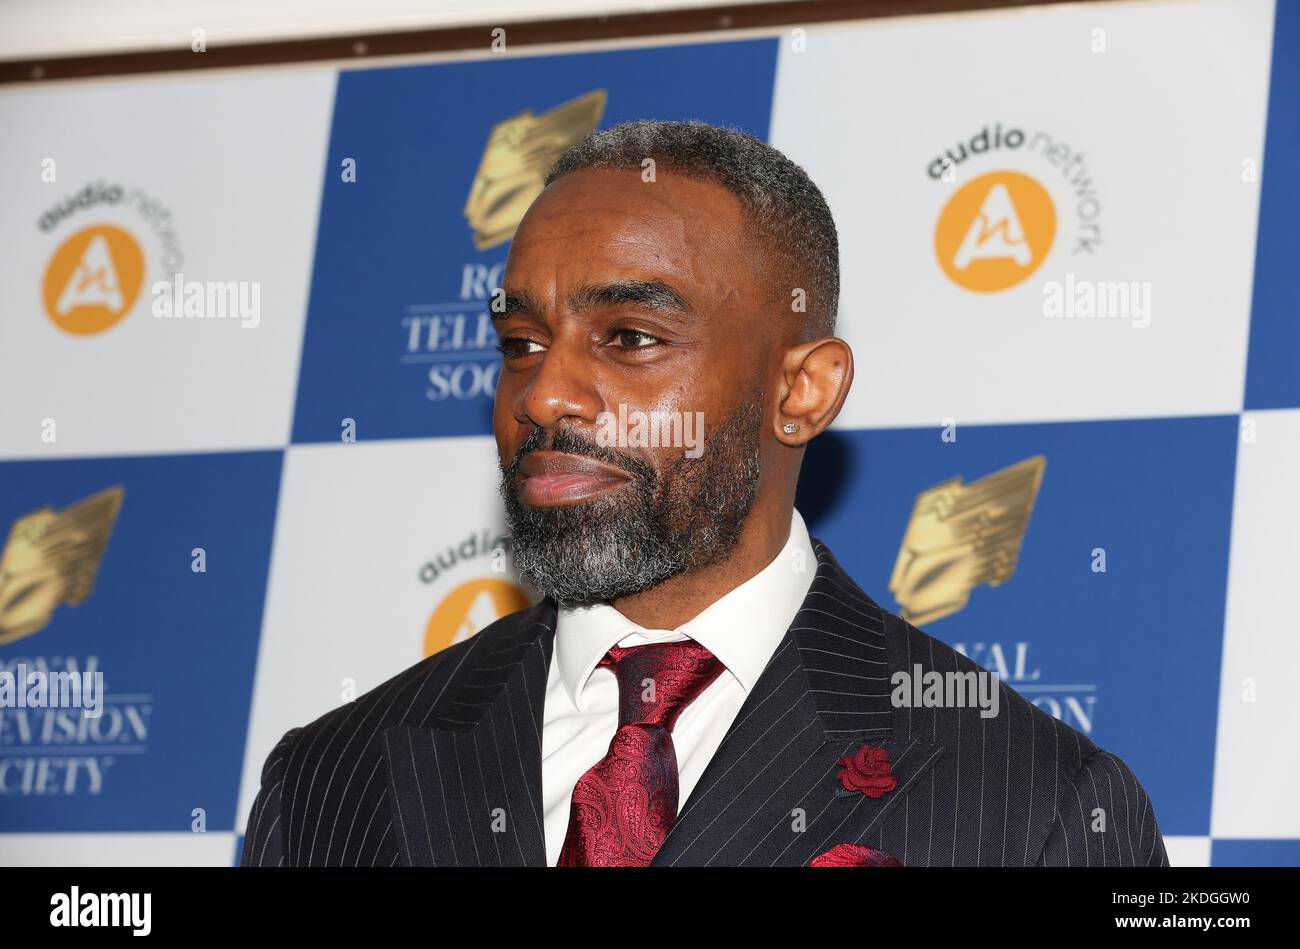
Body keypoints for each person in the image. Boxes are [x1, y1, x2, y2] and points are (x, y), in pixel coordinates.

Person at [241, 119, 1168, 867]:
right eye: (522, 343)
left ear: (801, 391)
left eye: (631, 338)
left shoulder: (1034, 805)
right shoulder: (333, 780)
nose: (545, 394)